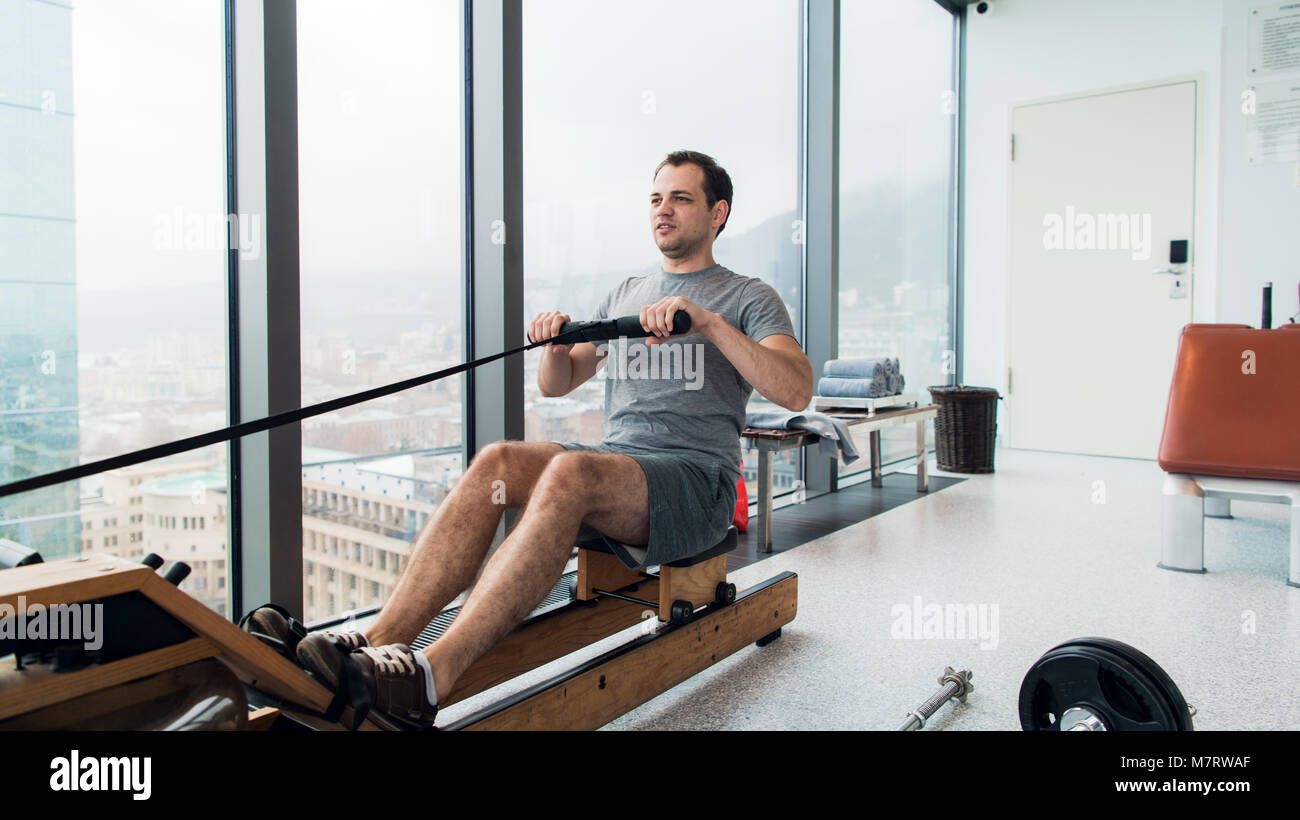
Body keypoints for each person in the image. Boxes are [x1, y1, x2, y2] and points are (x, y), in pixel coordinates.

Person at [270, 149, 813, 730]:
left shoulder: (748, 297)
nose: (663, 210)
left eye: (681, 198)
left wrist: (706, 322)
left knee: (569, 473)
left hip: (697, 484)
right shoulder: (626, 293)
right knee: (499, 462)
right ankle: (378, 642)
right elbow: (560, 384)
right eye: (656, 199)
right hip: (619, 469)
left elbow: (796, 390)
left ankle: (430, 677)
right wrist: (555, 347)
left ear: (718, 213)